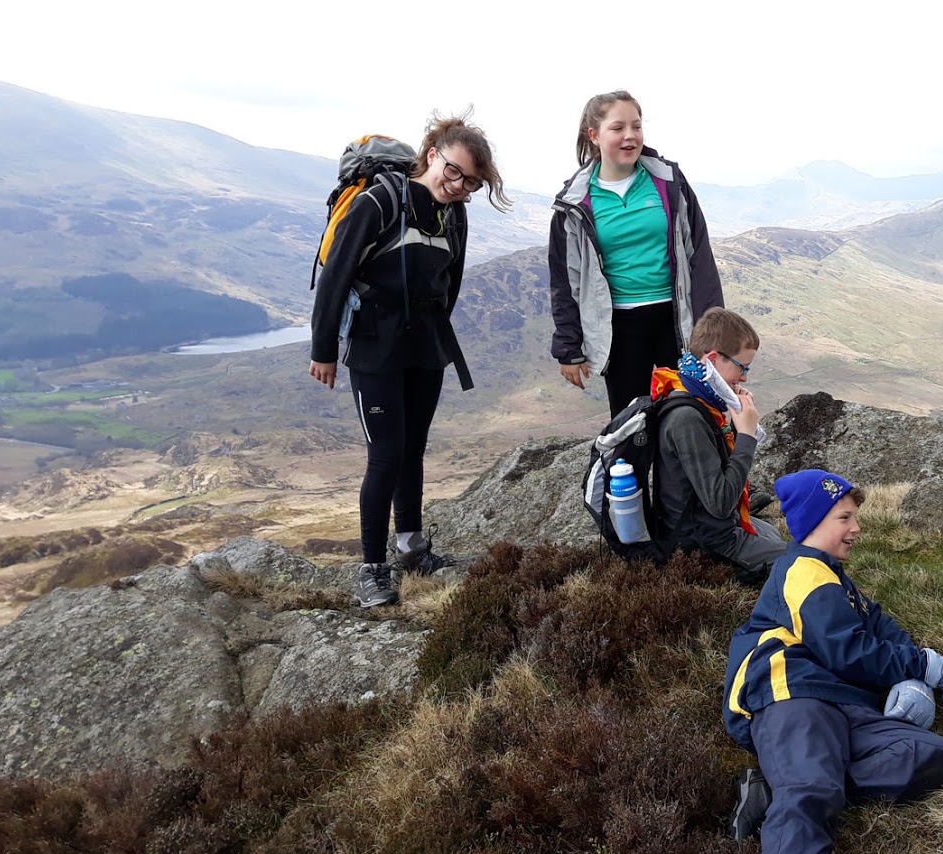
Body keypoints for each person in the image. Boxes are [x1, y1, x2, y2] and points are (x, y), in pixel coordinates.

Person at [723, 468, 943, 854]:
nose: (856, 528)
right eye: (843, 518)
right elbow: (849, 651)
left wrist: (910, 673)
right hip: (794, 693)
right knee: (812, 787)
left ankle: (774, 787)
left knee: (931, 755)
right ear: (812, 523)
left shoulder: (837, 579)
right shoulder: (803, 571)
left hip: (845, 704)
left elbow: (880, 625)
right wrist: (929, 667)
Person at [308, 112, 512, 608]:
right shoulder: (380, 202)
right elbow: (335, 277)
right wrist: (323, 350)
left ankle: (412, 547)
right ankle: (373, 569)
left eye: (471, 182)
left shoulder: (454, 213)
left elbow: (451, 279)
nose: (459, 186)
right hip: (375, 346)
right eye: (454, 171)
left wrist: (436, 332)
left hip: (424, 345)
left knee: (413, 449)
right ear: (432, 155)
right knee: (385, 456)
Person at [549, 90, 725, 417]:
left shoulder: (669, 182)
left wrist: (715, 332)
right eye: (618, 128)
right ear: (595, 135)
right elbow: (564, 280)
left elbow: (699, 258)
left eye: (637, 126)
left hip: (676, 321)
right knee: (632, 424)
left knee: (692, 416)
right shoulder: (573, 203)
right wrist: (568, 349)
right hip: (619, 328)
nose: (630, 136)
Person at [650, 308, 785, 577]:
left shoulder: (695, 397)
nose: (744, 377)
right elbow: (721, 503)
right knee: (806, 560)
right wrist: (746, 436)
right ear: (713, 358)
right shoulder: (687, 419)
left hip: (714, 528)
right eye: (742, 367)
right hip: (704, 544)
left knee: (773, 536)